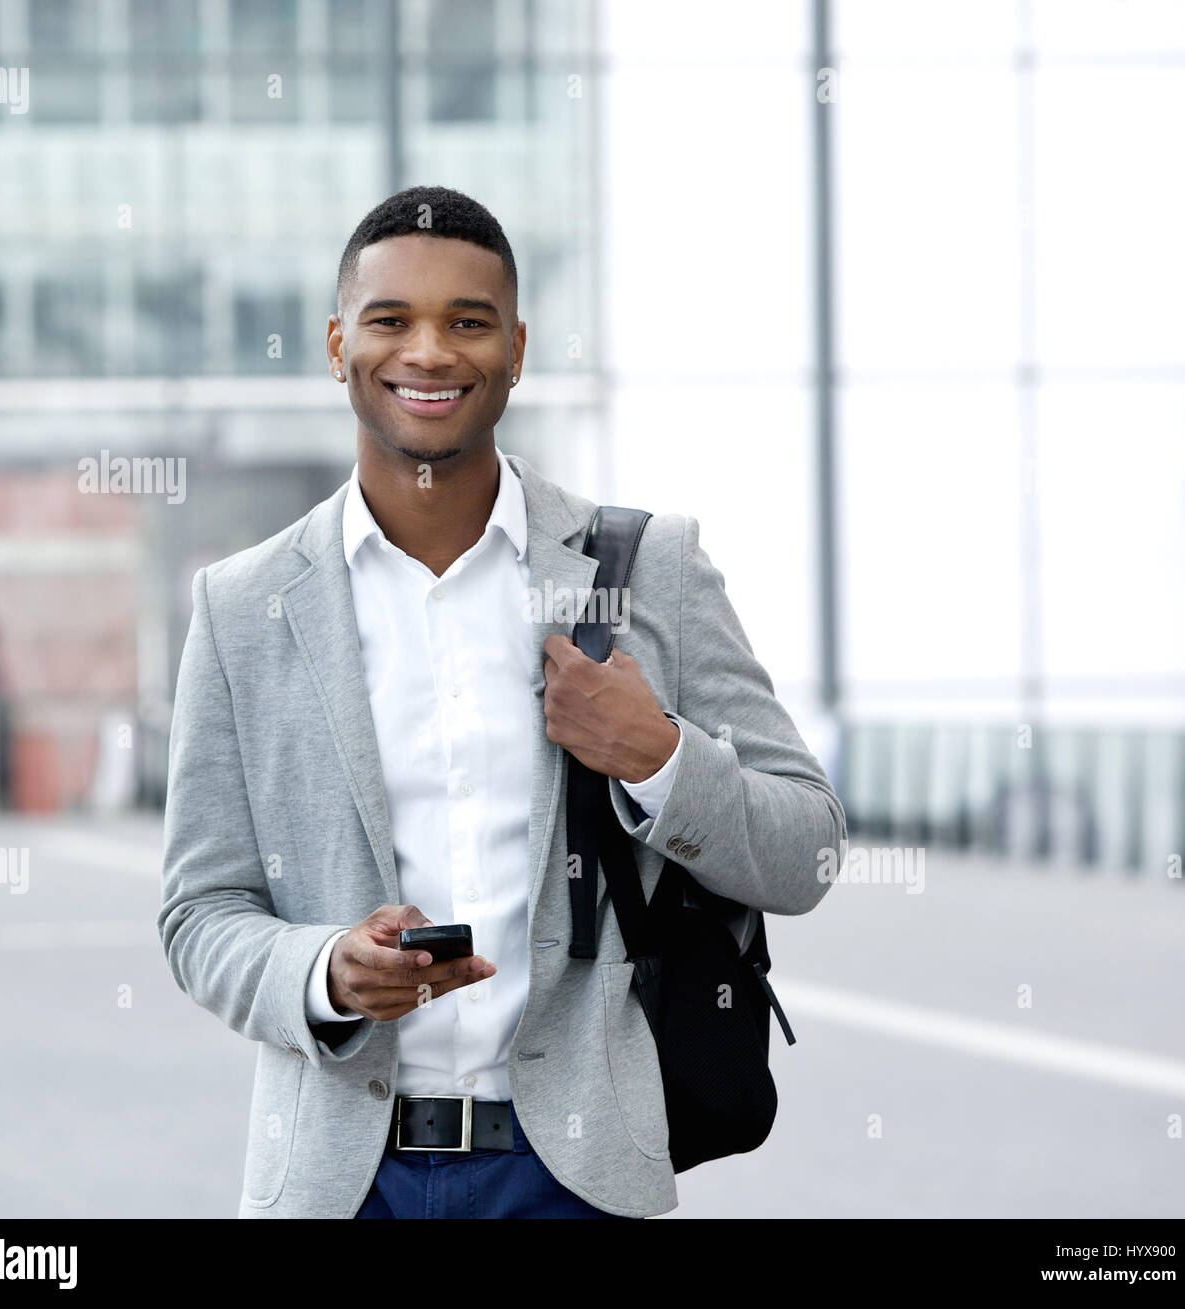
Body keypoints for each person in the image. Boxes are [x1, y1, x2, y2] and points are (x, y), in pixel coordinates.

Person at [158, 185, 847, 1219]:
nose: (429, 352)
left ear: (516, 349)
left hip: (573, 1176)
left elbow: (808, 849)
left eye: (467, 322)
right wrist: (325, 974)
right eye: (392, 320)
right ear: (338, 342)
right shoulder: (243, 604)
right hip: (339, 1184)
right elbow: (198, 910)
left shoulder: (647, 567)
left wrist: (657, 755)